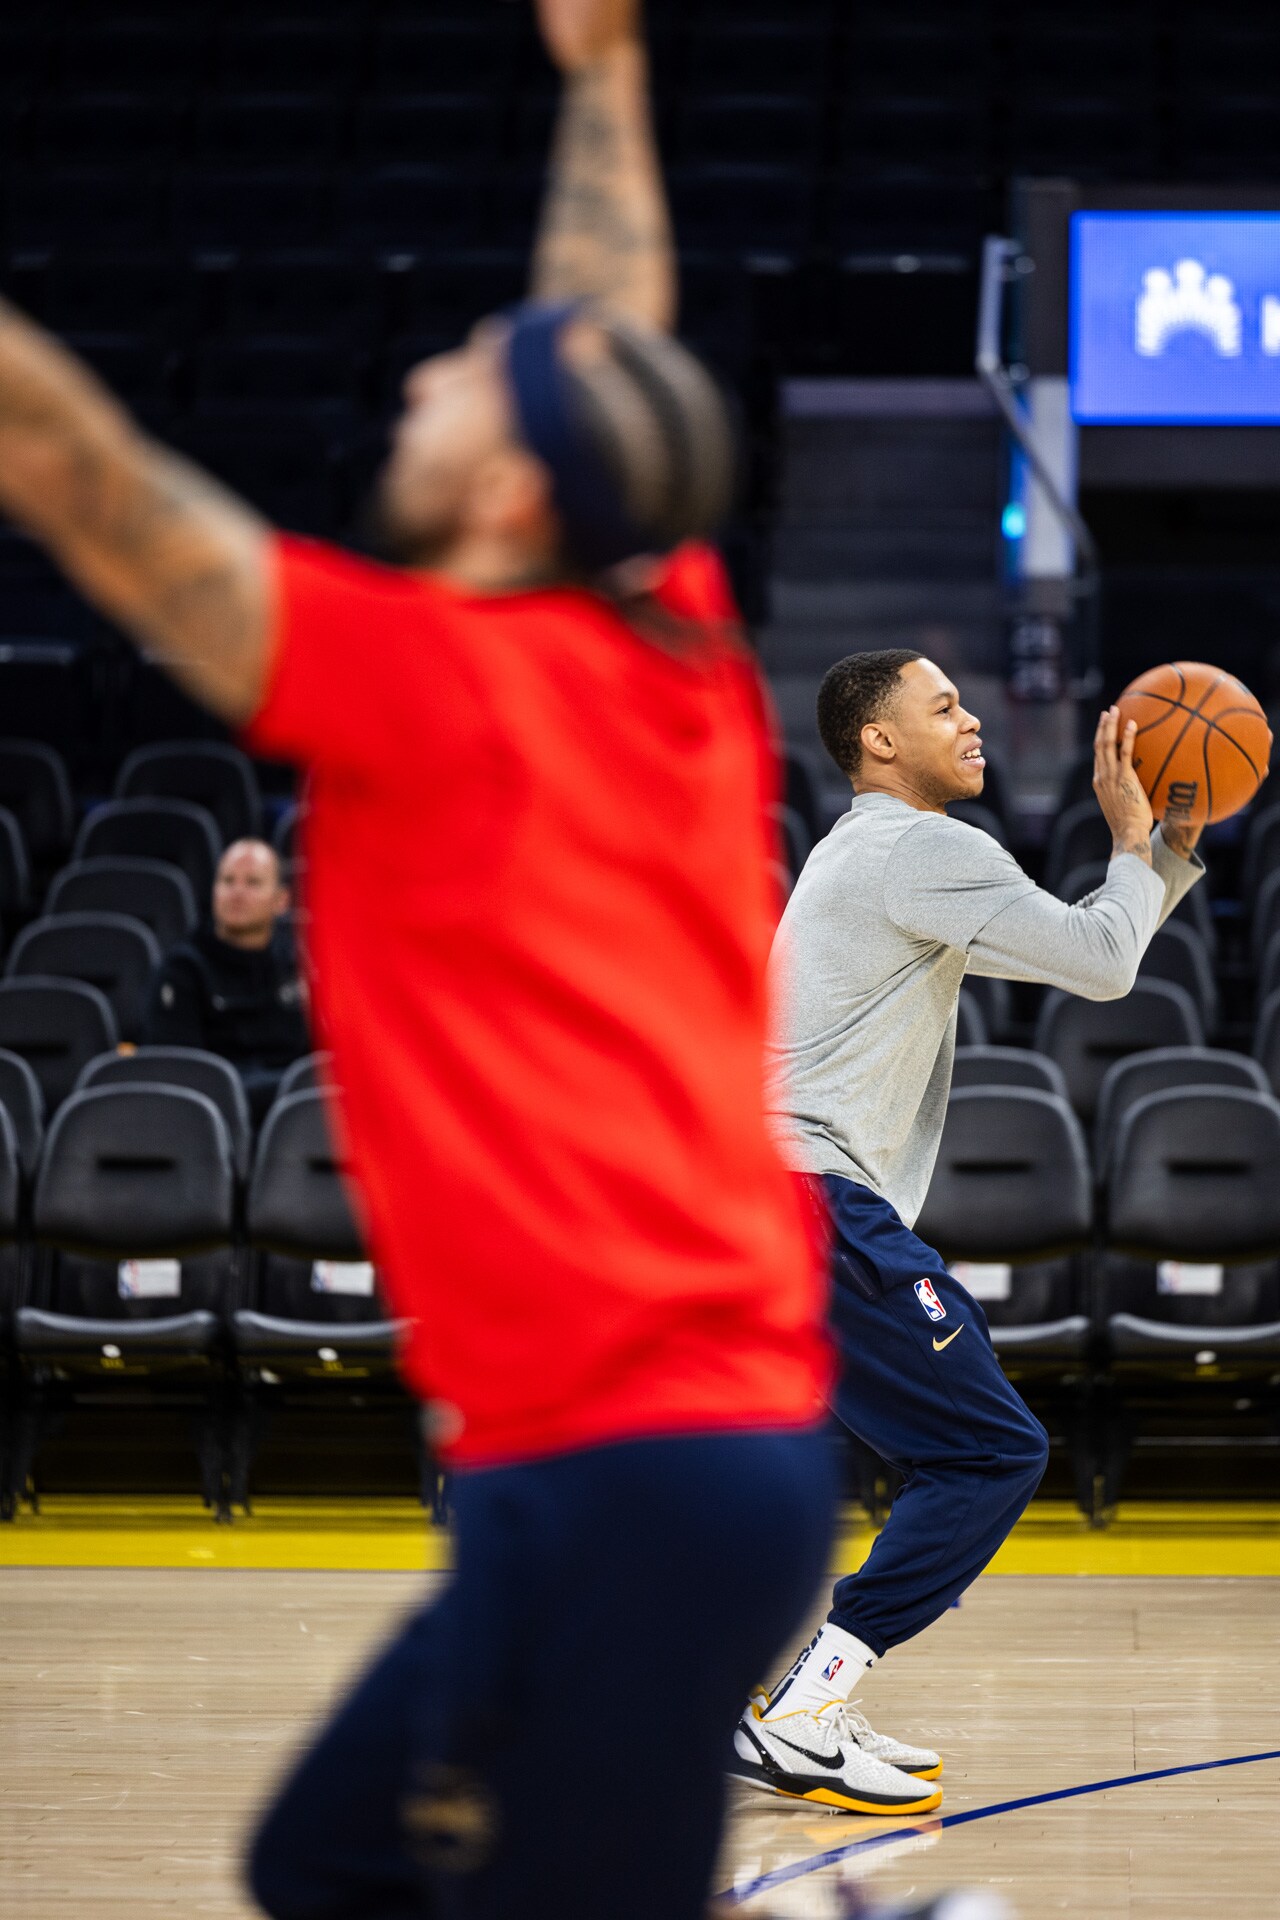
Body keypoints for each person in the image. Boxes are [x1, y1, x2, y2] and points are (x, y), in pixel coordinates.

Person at [0, 3, 838, 1915]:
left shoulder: (422, 678)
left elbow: (71, 464)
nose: (425, 375)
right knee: (333, 1861)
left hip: (635, 1472)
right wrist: (606, 65)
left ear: (516, 495)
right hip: (669, 1467)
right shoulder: (676, 654)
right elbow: (602, 332)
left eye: (460, 375)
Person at [729, 648, 1204, 1813]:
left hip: (782, 1202)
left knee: (924, 1458)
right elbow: (1100, 965)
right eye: (942, 706)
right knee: (993, 1452)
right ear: (878, 743)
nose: (973, 718)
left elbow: (1091, 944)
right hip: (816, 1200)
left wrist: (1167, 855)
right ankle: (802, 1707)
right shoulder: (921, 848)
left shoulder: (873, 854)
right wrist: (1126, 837)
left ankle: (806, 1700)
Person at [143, 837, 309, 1119]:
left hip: (295, 1116)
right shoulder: (183, 969)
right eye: (227, 881)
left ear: (282, 900)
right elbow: (177, 1073)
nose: (236, 893)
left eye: (252, 883)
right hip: (212, 1115)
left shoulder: (300, 967)